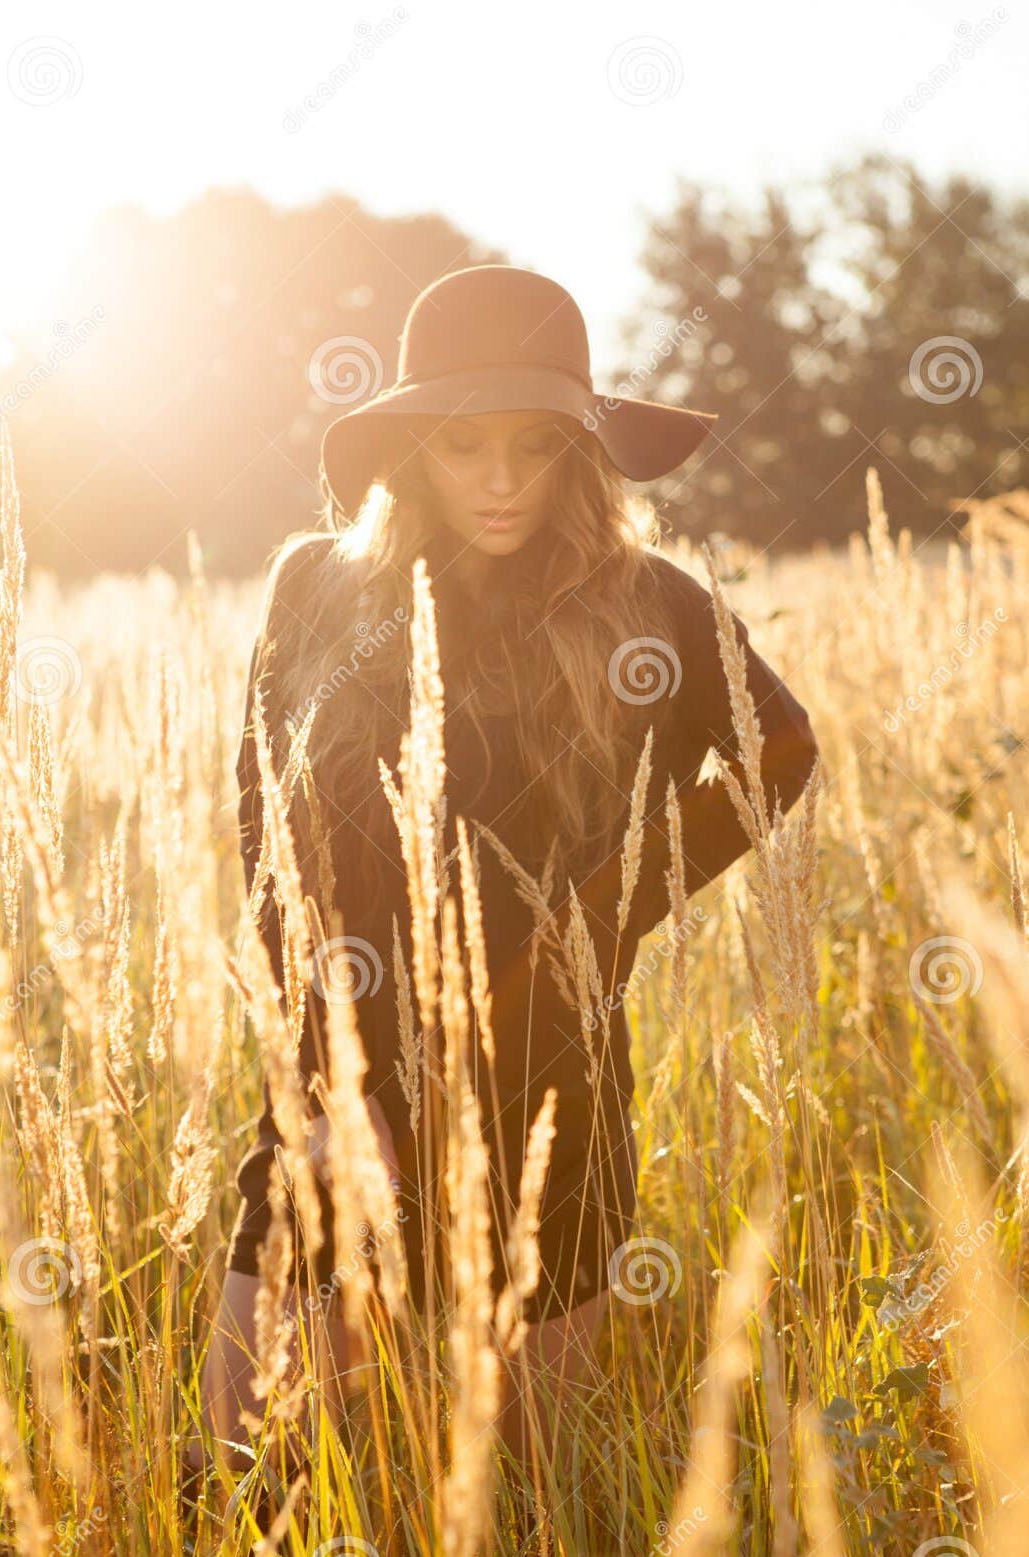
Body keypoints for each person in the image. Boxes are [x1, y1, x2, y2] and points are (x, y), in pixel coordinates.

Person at [189, 264, 818, 1484]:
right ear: (411, 447)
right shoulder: (317, 586)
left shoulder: (653, 603)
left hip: (552, 1087)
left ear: (582, 452)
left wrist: (596, 918)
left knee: (521, 1510)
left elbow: (781, 756)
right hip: (338, 1087)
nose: (498, 480)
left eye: (534, 446)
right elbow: (268, 827)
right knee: (253, 1488)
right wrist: (327, 1076)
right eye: (463, 443)